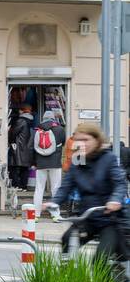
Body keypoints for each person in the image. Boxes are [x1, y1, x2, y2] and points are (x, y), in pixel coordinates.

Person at [52, 122, 127, 266]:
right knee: (67, 240)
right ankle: (68, 279)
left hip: (109, 219)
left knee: (99, 261)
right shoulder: (77, 160)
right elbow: (66, 186)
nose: (82, 144)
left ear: (97, 140)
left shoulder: (108, 158)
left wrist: (115, 200)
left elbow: (120, 183)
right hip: (87, 218)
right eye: (78, 140)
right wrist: (54, 202)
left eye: (86, 140)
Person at [33, 109, 65, 217]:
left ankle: (36, 214)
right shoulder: (60, 129)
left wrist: (34, 162)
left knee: (39, 188)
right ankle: (55, 215)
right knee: (55, 188)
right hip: (55, 163)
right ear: (53, 118)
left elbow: (32, 147)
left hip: (40, 163)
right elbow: (63, 142)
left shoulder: (37, 130)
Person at [9, 106, 35, 192]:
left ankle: (16, 185)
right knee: (24, 168)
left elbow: (13, 133)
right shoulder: (31, 121)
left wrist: (10, 142)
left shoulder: (21, 121)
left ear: (22, 111)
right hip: (27, 149)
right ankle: (24, 186)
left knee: (13, 167)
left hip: (18, 148)